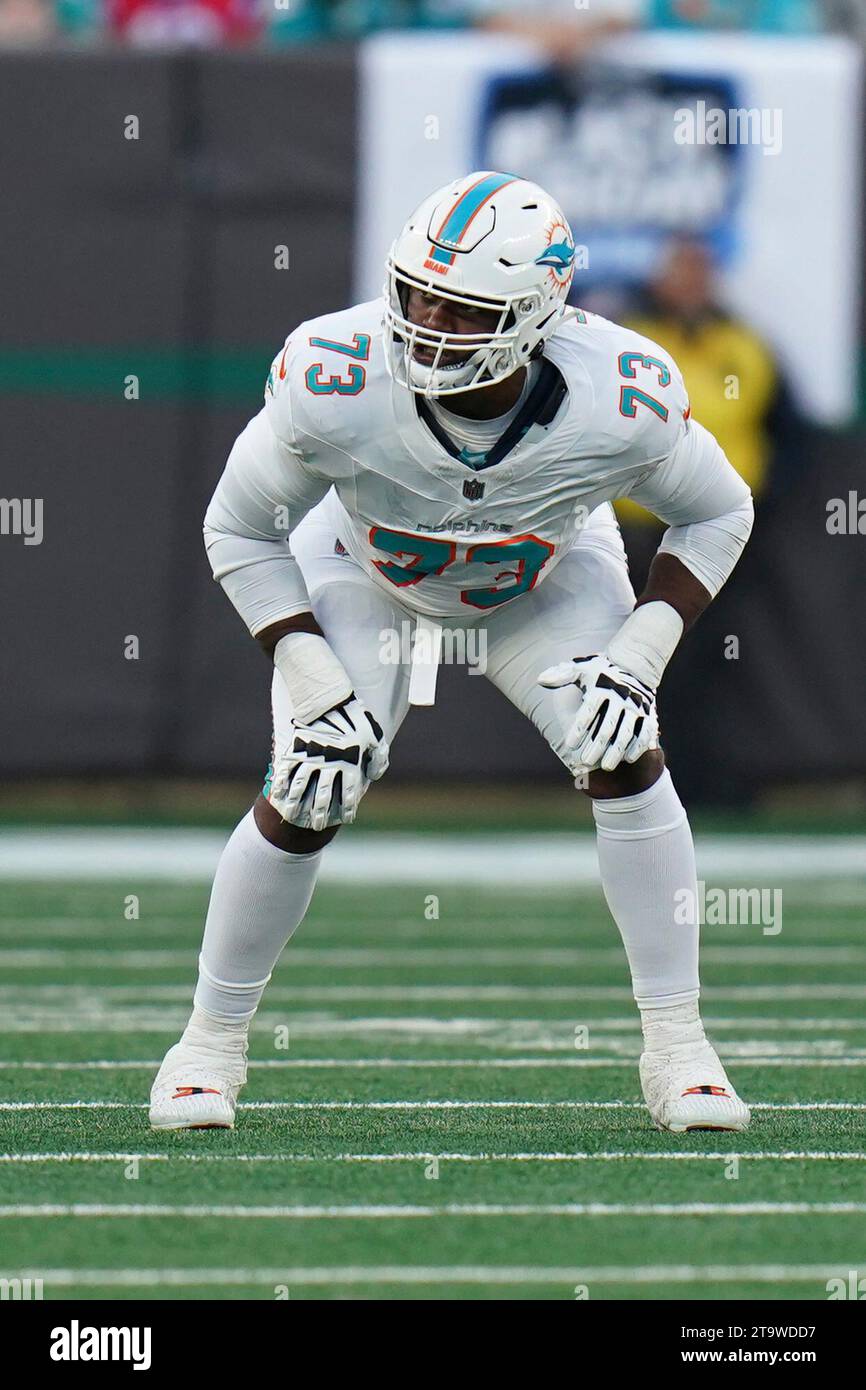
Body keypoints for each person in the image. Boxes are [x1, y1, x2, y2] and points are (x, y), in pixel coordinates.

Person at [149, 171, 754, 1135]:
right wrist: (305, 669)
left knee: (623, 749)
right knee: (315, 777)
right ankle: (207, 1047)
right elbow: (239, 529)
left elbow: (719, 509)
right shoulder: (333, 374)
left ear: (536, 315)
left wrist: (641, 653)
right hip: (362, 568)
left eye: (461, 308)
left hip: (543, 576)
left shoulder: (621, 394)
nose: (426, 322)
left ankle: (679, 1047)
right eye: (417, 293)